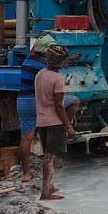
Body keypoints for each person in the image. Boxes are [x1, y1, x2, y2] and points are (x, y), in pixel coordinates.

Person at [18, 36, 78, 182]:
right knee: (75, 101)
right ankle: (64, 128)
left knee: (26, 138)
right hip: (39, 103)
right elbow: (58, 101)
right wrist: (68, 126)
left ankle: (26, 173)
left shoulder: (27, 61)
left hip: (23, 102)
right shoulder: (47, 69)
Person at [35, 44, 77, 200]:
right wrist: (69, 127)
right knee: (48, 158)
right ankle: (45, 193)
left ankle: (49, 187)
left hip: (41, 121)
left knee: (47, 156)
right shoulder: (58, 79)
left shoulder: (40, 74)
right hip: (54, 122)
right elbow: (59, 106)